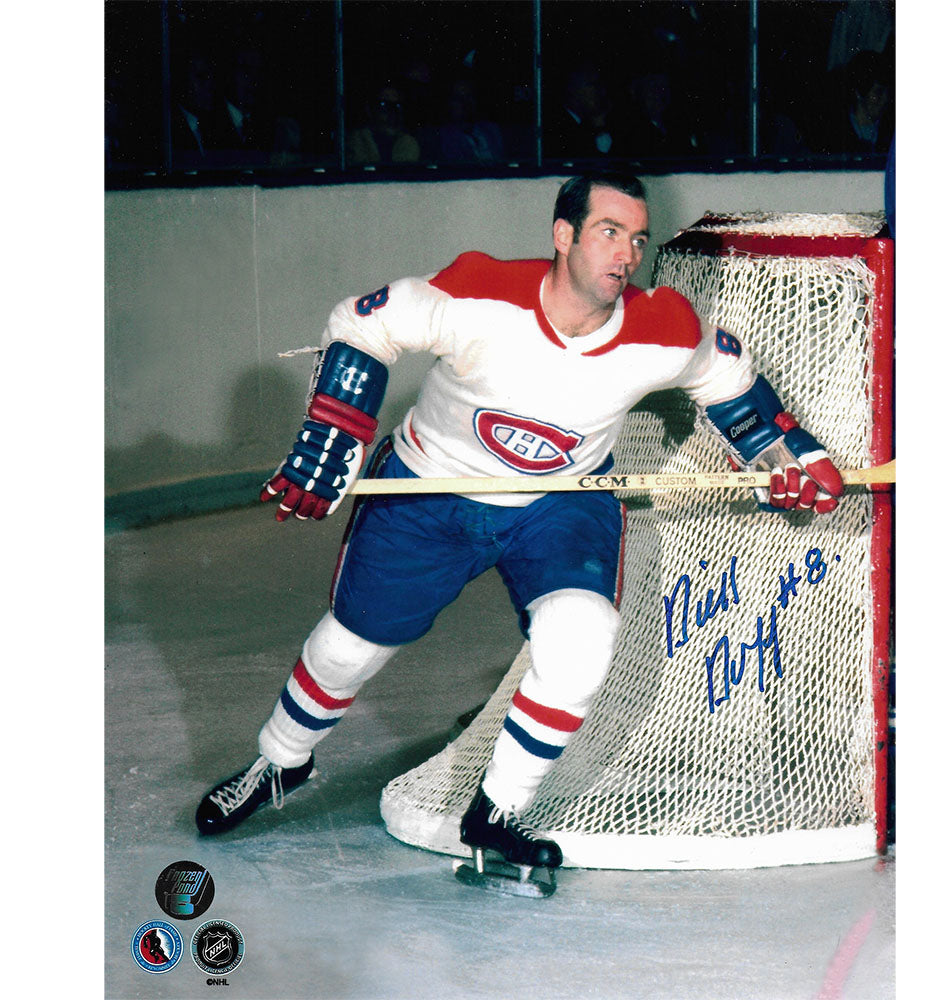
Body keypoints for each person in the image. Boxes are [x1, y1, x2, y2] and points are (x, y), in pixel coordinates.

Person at [195, 173, 843, 896]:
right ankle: (283, 759)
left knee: (582, 636)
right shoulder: (479, 293)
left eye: (637, 238)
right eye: (607, 231)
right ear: (562, 235)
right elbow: (361, 321)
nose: (626, 253)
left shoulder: (663, 329)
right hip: (430, 488)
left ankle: (497, 811)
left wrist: (789, 459)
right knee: (352, 644)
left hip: (559, 504)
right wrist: (335, 426)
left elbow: (731, 386)